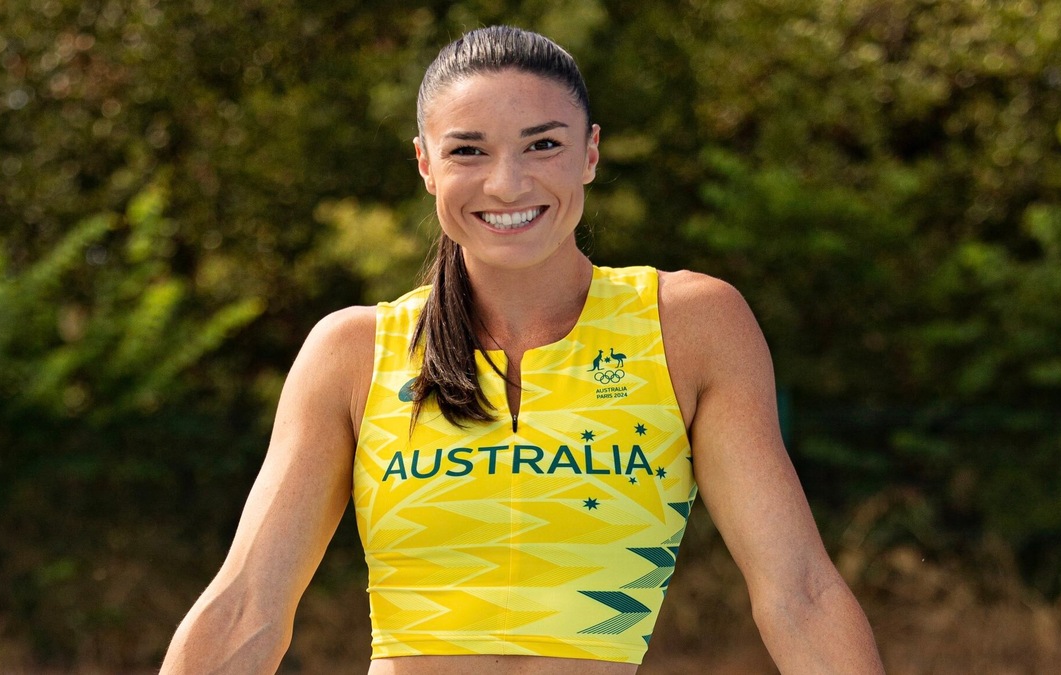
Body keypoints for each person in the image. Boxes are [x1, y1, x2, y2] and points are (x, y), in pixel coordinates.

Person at [160, 25, 884, 675]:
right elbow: (247, 609)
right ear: (425, 164)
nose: (507, 183)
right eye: (467, 151)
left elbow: (799, 593)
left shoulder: (690, 326)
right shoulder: (354, 350)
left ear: (590, 153)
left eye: (543, 145)